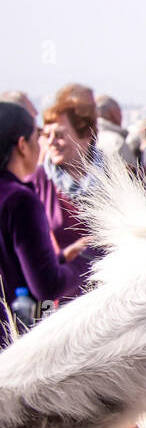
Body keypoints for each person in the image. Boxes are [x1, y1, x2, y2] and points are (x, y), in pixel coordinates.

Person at [0, 103, 87, 347]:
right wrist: (86, 264)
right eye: (37, 137)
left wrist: (58, 258)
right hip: (11, 340)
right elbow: (46, 287)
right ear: (22, 146)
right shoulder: (19, 199)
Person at [30, 86, 102, 297]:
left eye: (59, 135)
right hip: (56, 300)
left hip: (106, 297)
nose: (51, 142)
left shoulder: (114, 178)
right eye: (46, 134)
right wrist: (64, 255)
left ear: (86, 137)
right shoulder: (36, 184)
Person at [95, 95, 136, 167]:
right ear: (113, 113)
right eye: (120, 112)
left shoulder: (86, 138)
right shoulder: (117, 141)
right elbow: (129, 176)